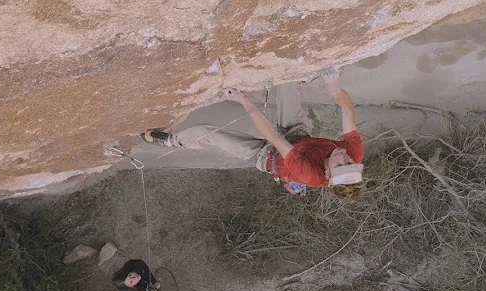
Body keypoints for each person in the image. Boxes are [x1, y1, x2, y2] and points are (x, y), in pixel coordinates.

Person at [142, 67, 365, 200]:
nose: (342, 156)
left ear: (327, 174)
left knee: (209, 133)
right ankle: (288, 181)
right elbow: (347, 108)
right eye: (348, 162)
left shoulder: (308, 173)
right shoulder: (353, 152)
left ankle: (171, 141)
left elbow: (274, 138)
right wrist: (335, 87)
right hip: (299, 138)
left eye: (339, 164)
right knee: (286, 84)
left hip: (267, 155)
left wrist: (242, 99)